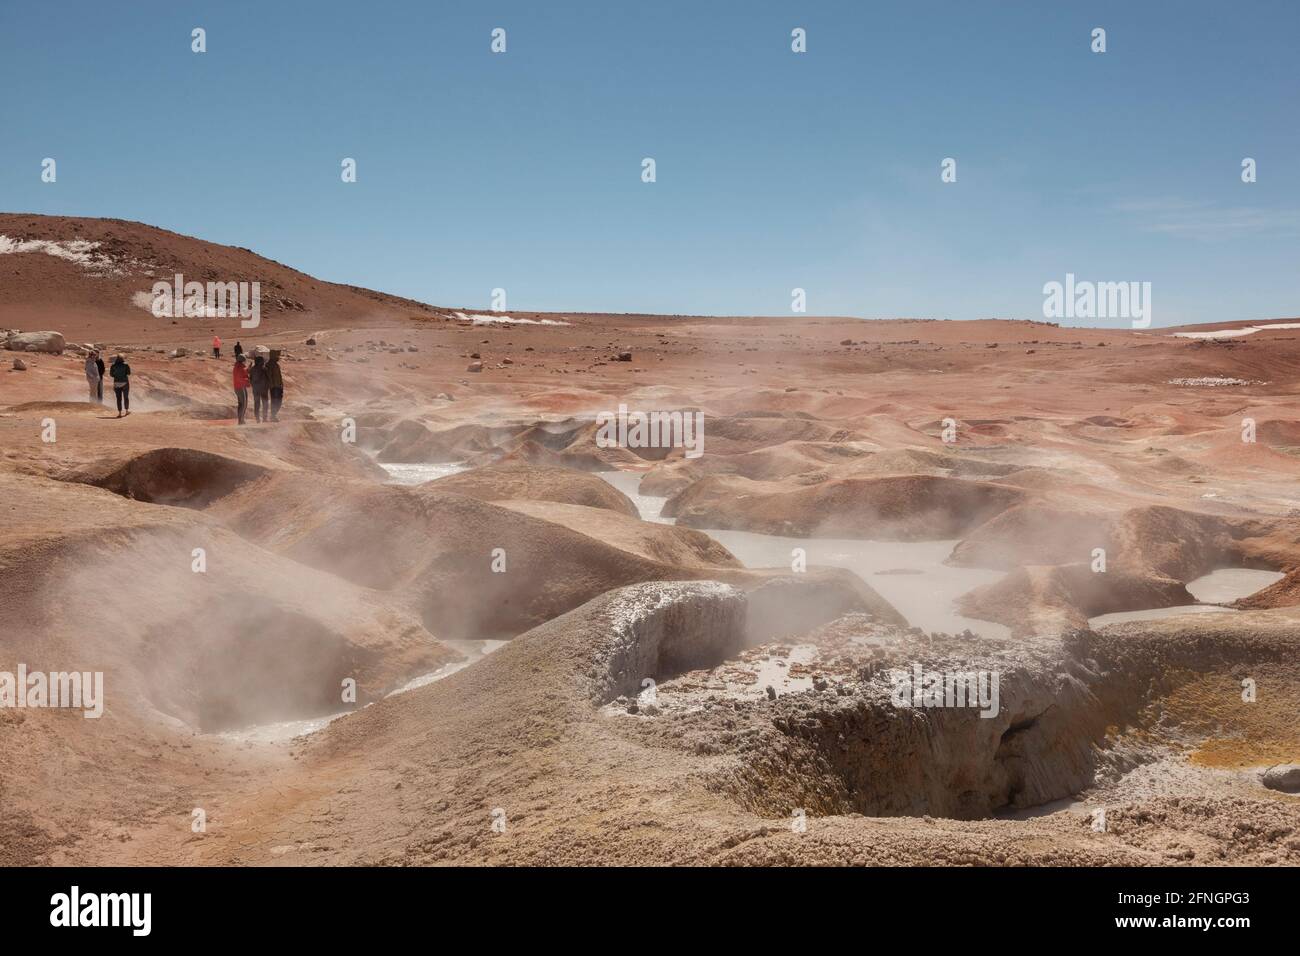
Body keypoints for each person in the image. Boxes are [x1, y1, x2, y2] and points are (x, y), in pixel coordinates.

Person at [249, 353, 270, 423]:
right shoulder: (264, 369)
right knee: (265, 403)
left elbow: (250, 379)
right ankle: (264, 418)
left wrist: (254, 385)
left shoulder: (252, 369)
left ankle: (257, 418)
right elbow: (268, 378)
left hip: (256, 389)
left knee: (257, 404)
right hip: (264, 389)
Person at [266, 349, 284, 422]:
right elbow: (269, 376)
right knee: (275, 401)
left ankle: (274, 415)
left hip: (278, 386)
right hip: (274, 387)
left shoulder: (275, 364)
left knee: (278, 401)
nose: (278, 357)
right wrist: (272, 385)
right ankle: (273, 416)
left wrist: (281, 384)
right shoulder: (270, 364)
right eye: (277, 356)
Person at [232, 353, 250, 425]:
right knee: (243, 404)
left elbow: (243, 373)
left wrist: (248, 370)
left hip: (240, 386)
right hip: (240, 387)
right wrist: (248, 380)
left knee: (242, 404)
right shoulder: (239, 367)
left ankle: (241, 419)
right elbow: (240, 378)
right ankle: (241, 420)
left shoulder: (239, 366)